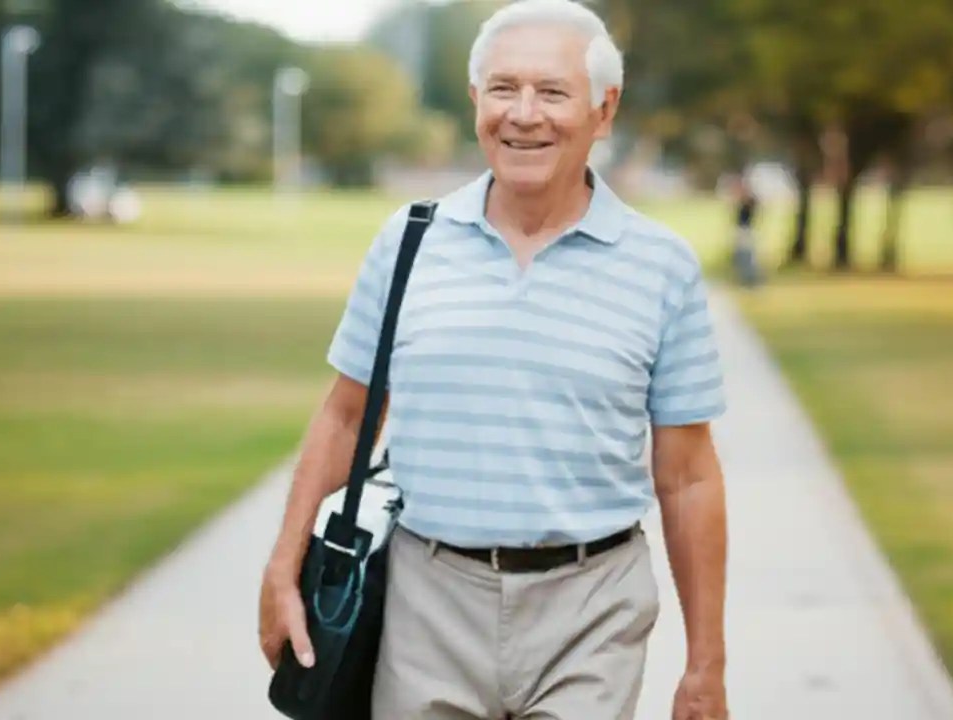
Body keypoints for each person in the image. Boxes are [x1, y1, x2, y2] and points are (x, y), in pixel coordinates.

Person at [258, 2, 731, 718]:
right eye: (504, 89)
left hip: (591, 605)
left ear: (604, 112)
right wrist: (282, 568)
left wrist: (706, 663)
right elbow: (347, 415)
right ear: (477, 102)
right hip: (427, 601)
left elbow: (688, 476)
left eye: (553, 92)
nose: (524, 114)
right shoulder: (410, 240)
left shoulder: (662, 267)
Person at [730, 175, 762, 287]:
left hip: (746, 230)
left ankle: (750, 279)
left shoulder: (749, 201)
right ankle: (744, 278)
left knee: (747, 255)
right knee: (741, 255)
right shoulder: (742, 201)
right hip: (741, 230)